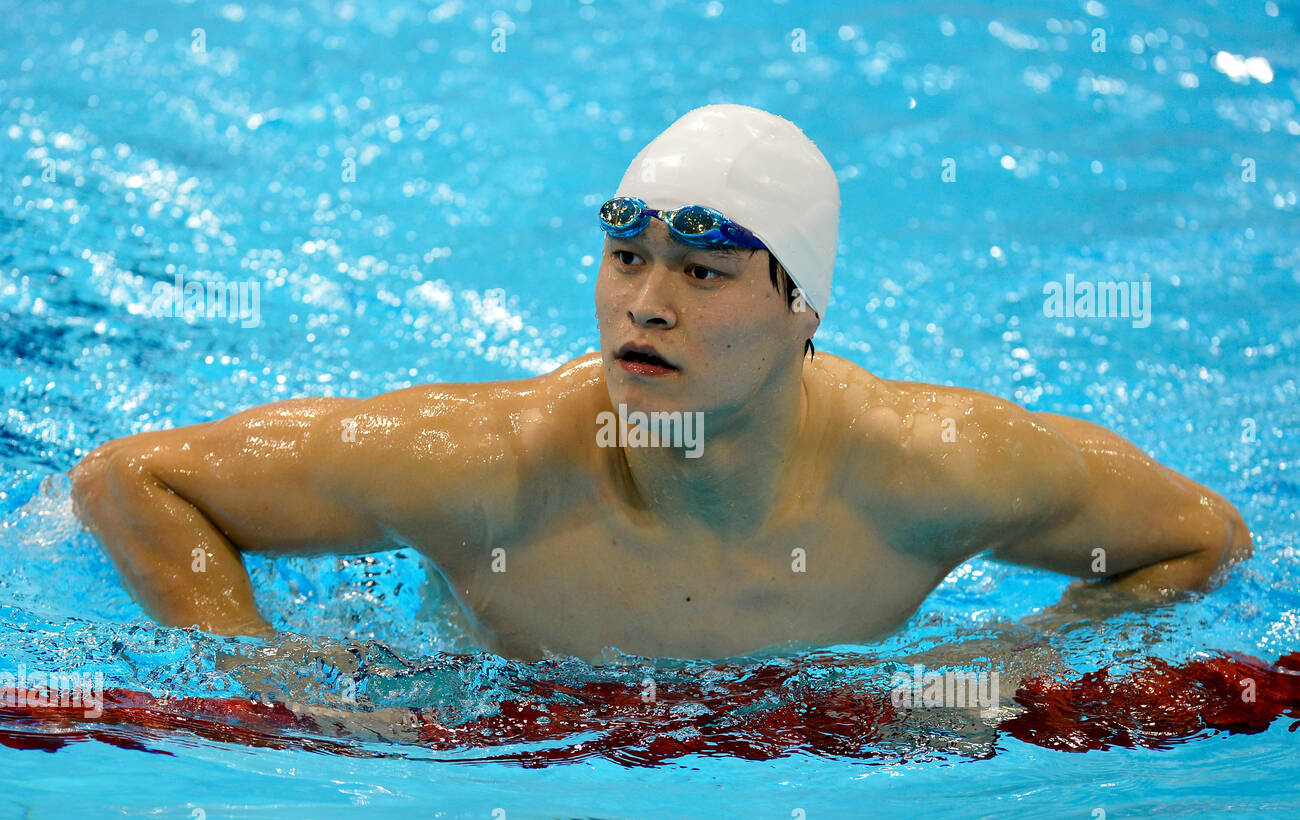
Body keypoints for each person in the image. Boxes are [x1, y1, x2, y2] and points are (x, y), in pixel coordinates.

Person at [67, 104, 1253, 662]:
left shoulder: (935, 468)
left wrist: (1009, 656)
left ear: (803, 312)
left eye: (702, 270)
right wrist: (258, 672)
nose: (645, 301)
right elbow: (133, 479)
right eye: (626, 257)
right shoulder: (480, 465)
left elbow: (1200, 539)